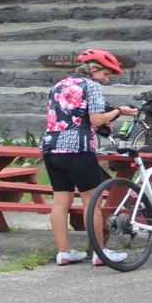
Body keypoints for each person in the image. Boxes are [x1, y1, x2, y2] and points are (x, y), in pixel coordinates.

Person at [40, 49, 139, 266]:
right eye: (106, 74)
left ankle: (64, 252)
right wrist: (119, 111)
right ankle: (100, 253)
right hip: (78, 149)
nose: (107, 79)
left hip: (51, 148)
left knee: (60, 203)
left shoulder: (59, 85)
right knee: (91, 201)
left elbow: (70, 115)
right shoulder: (92, 86)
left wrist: (104, 118)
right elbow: (95, 119)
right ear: (93, 69)